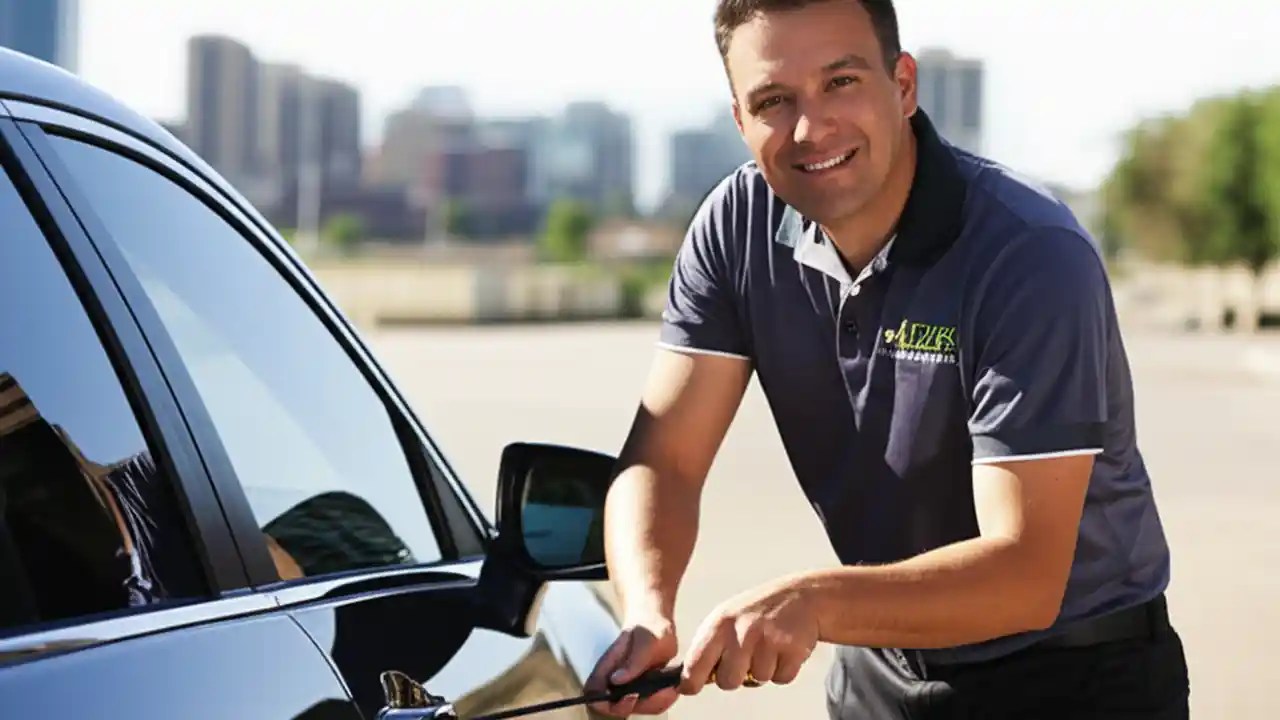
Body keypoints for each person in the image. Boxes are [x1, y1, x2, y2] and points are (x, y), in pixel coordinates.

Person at [583, 1, 1190, 717]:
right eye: (774, 101)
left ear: (904, 85)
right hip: (879, 670)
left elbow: (1025, 573)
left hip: (1073, 676)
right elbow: (665, 461)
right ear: (741, 121)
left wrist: (813, 602)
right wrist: (646, 614)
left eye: (841, 82)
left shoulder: (1028, 253)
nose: (812, 128)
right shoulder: (735, 227)